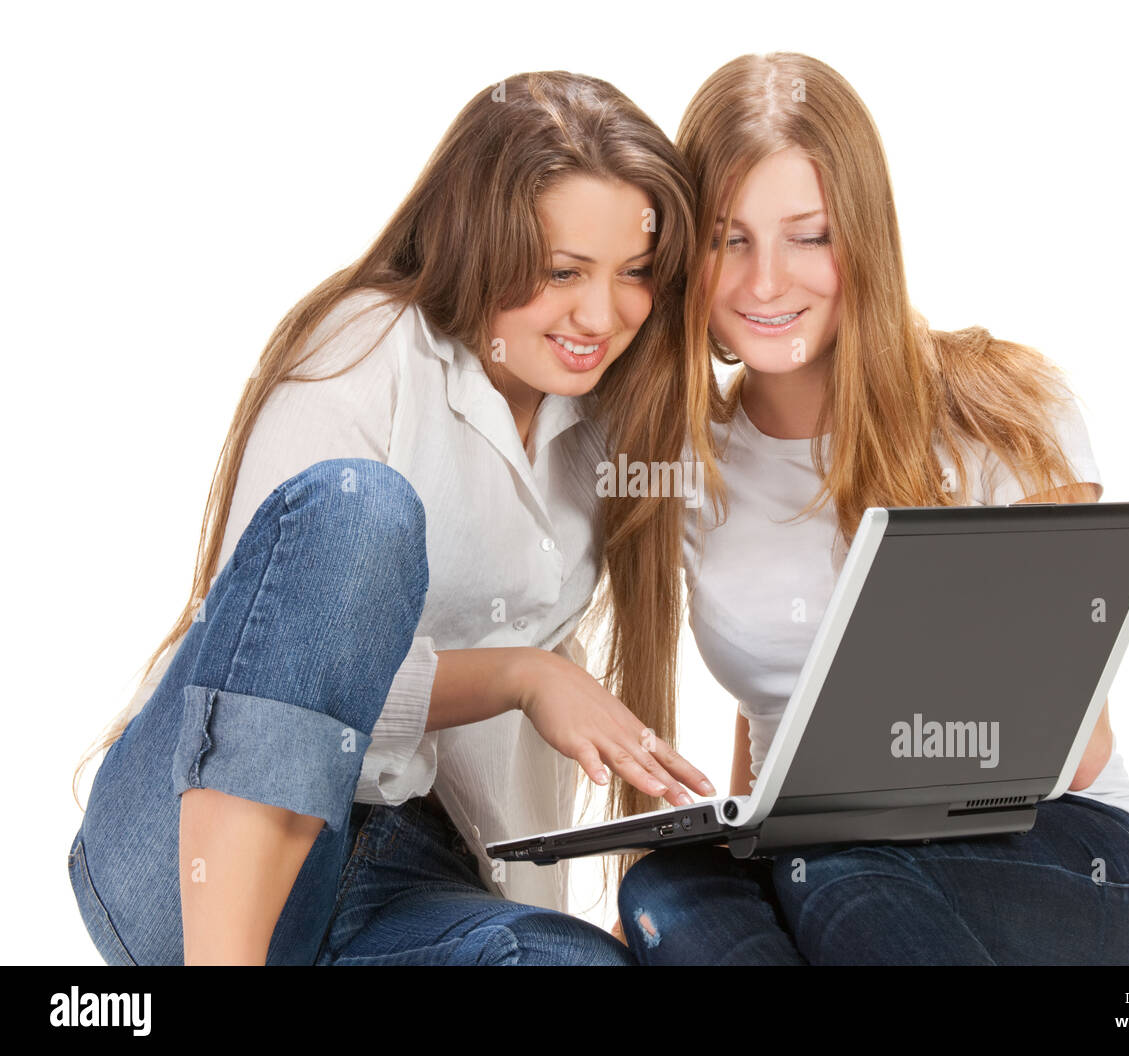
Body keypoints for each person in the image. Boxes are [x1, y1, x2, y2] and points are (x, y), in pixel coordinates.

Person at [67, 69, 714, 966]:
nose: (601, 315)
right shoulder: (369, 346)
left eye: (634, 275)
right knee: (359, 514)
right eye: (562, 271)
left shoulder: (609, 423)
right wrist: (520, 676)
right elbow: (277, 657)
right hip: (185, 849)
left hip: (406, 869)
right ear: (480, 241)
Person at [615, 52, 1129, 965]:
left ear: (863, 238)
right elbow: (774, 710)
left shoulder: (1003, 408)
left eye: (808, 236)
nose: (764, 284)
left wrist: (824, 818)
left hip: (1067, 858)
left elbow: (1073, 749)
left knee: (830, 860)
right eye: (730, 239)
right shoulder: (692, 468)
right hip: (822, 868)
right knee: (663, 888)